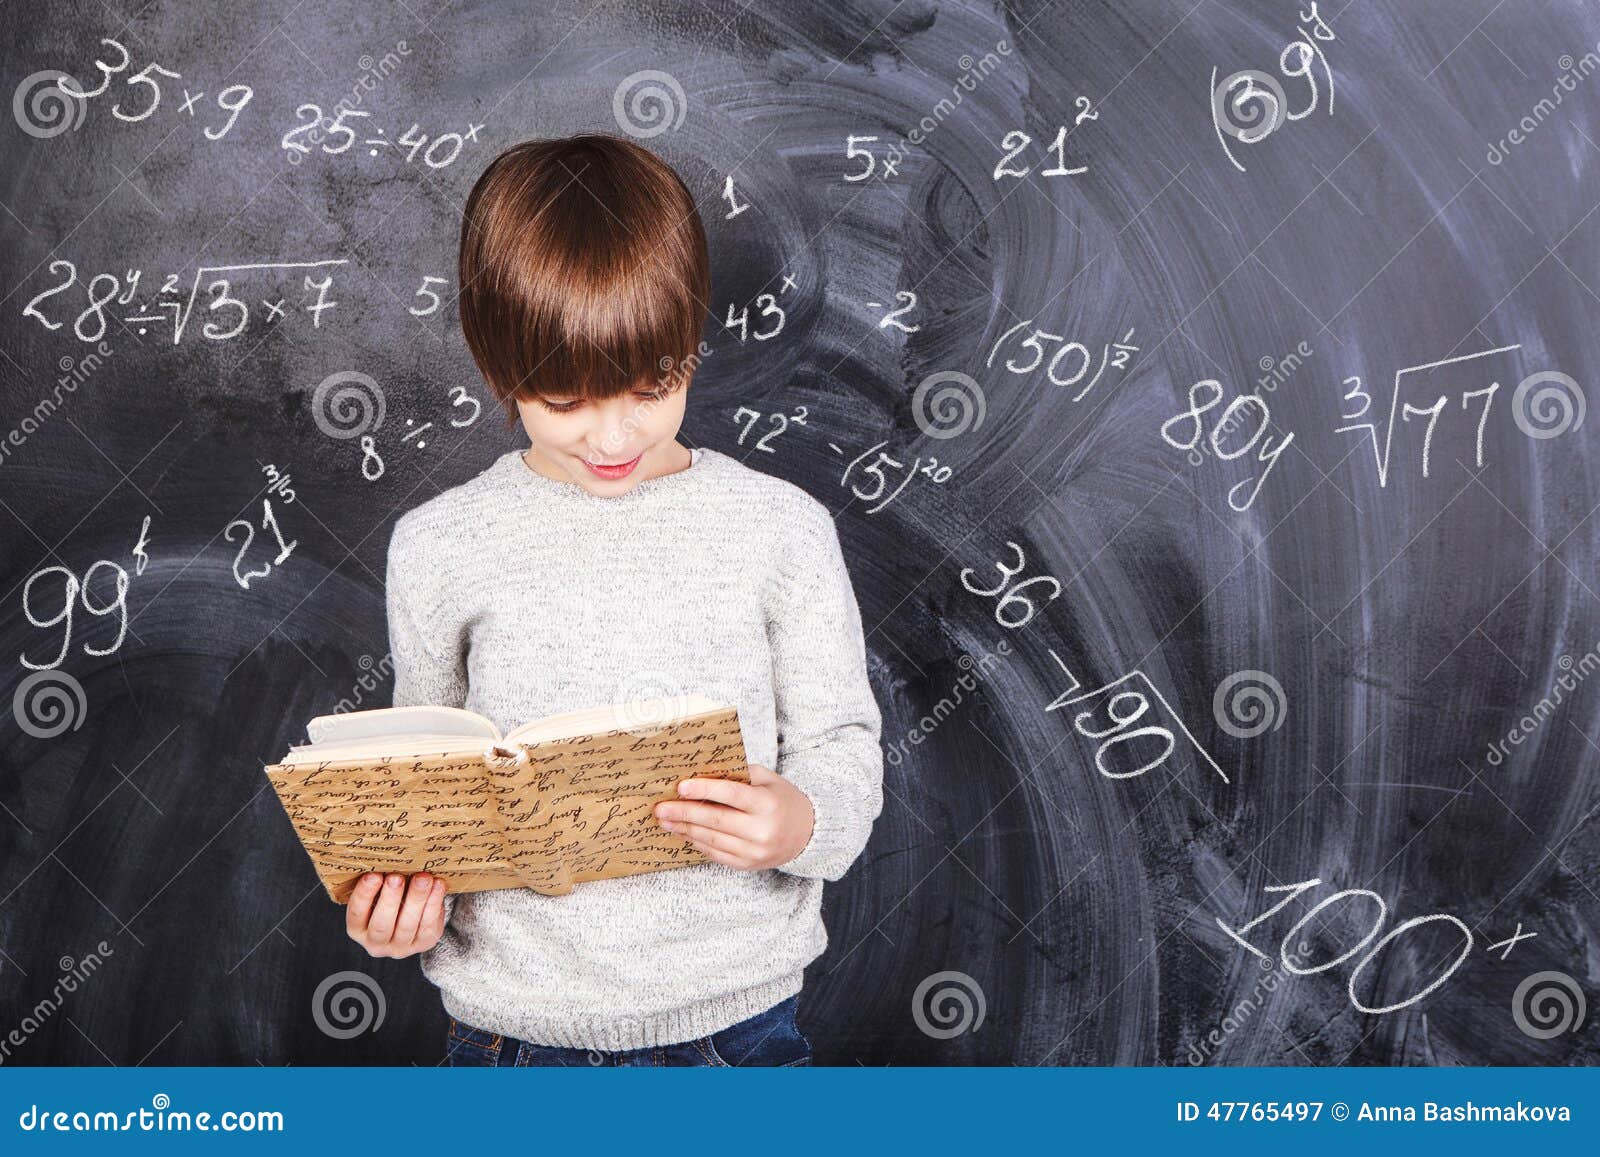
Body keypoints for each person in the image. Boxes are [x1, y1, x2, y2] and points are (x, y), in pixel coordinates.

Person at [343, 133, 884, 1067]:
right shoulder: (437, 546)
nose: (611, 434)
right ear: (497, 368)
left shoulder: (779, 530)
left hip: (736, 1032)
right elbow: (427, 794)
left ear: (690, 343)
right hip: (508, 1041)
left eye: (650, 385)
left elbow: (841, 742)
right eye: (564, 400)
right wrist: (398, 907)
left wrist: (802, 820)